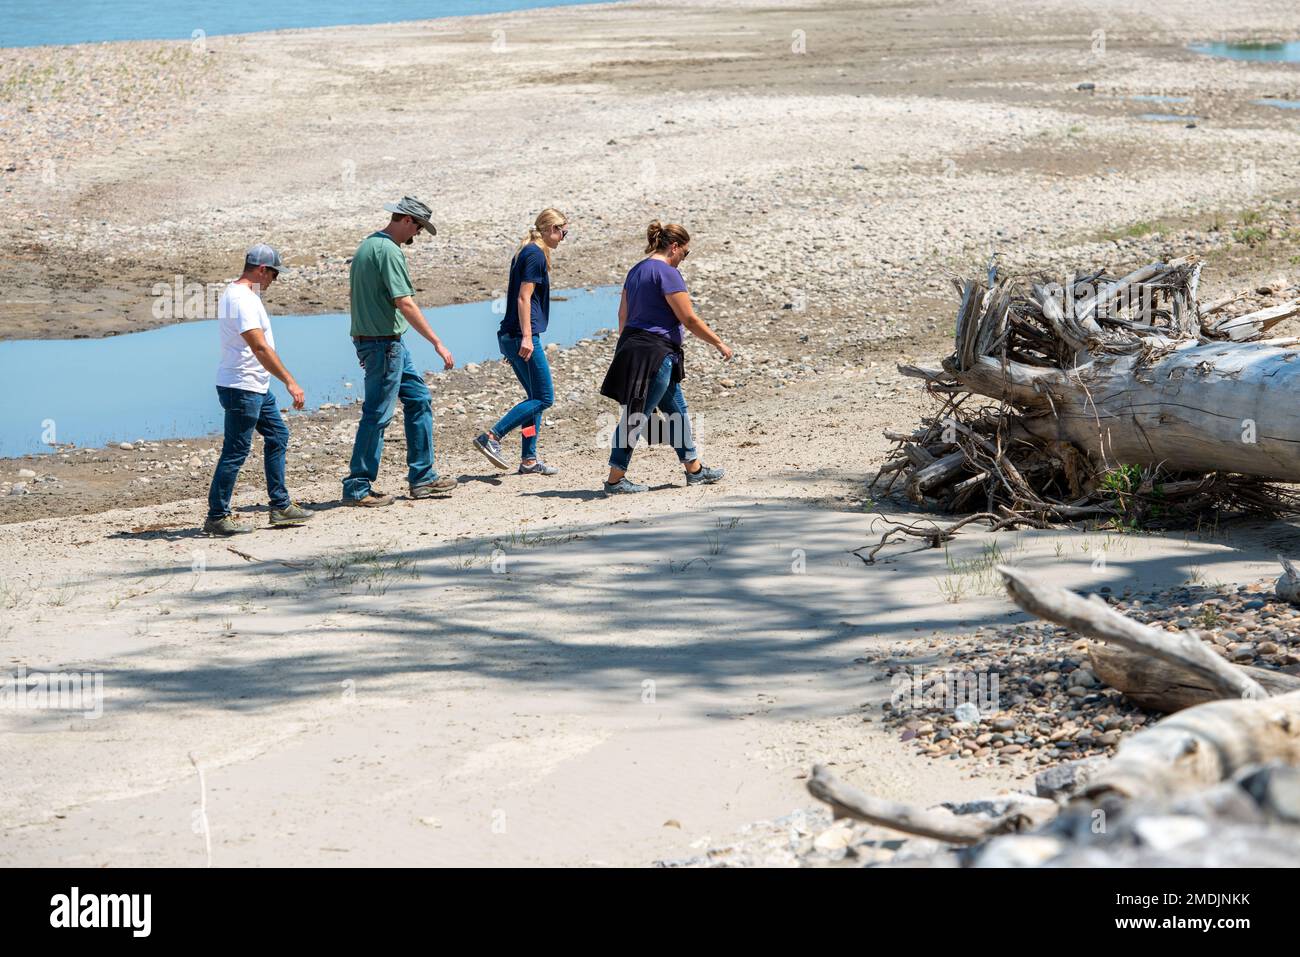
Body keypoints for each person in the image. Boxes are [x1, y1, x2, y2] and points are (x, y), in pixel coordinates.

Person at [599, 221, 732, 496]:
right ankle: (615, 480)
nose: (684, 258)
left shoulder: (636, 270)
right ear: (674, 247)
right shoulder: (667, 273)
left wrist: (626, 349)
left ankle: (694, 470)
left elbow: (622, 316)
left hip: (635, 347)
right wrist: (718, 342)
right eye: (685, 252)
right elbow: (688, 318)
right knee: (636, 417)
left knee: (676, 412)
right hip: (656, 353)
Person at [342, 196, 458, 507]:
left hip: (385, 341)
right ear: (406, 219)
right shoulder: (389, 251)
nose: (417, 235)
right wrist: (436, 341)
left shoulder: (368, 245)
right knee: (377, 414)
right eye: (418, 228)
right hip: (383, 344)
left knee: (419, 399)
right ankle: (357, 486)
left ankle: (423, 477)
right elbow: (404, 301)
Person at [204, 244, 313, 535]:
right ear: (262, 270)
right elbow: (259, 346)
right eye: (274, 275)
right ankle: (217, 515)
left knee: (278, 434)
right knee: (236, 450)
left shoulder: (242, 294)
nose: (273, 281)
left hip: (254, 384)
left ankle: (280, 506)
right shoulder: (242, 299)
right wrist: (289, 380)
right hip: (242, 386)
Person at [472, 208, 567, 475]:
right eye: (562, 231)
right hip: (520, 336)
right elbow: (523, 298)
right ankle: (492, 436)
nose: (563, 237)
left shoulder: (527, 251)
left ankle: (529, 459)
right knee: (545, 397)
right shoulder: (534, 254)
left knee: (534, 399)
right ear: (550, 229)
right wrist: (525, 337)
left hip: (510, 335)